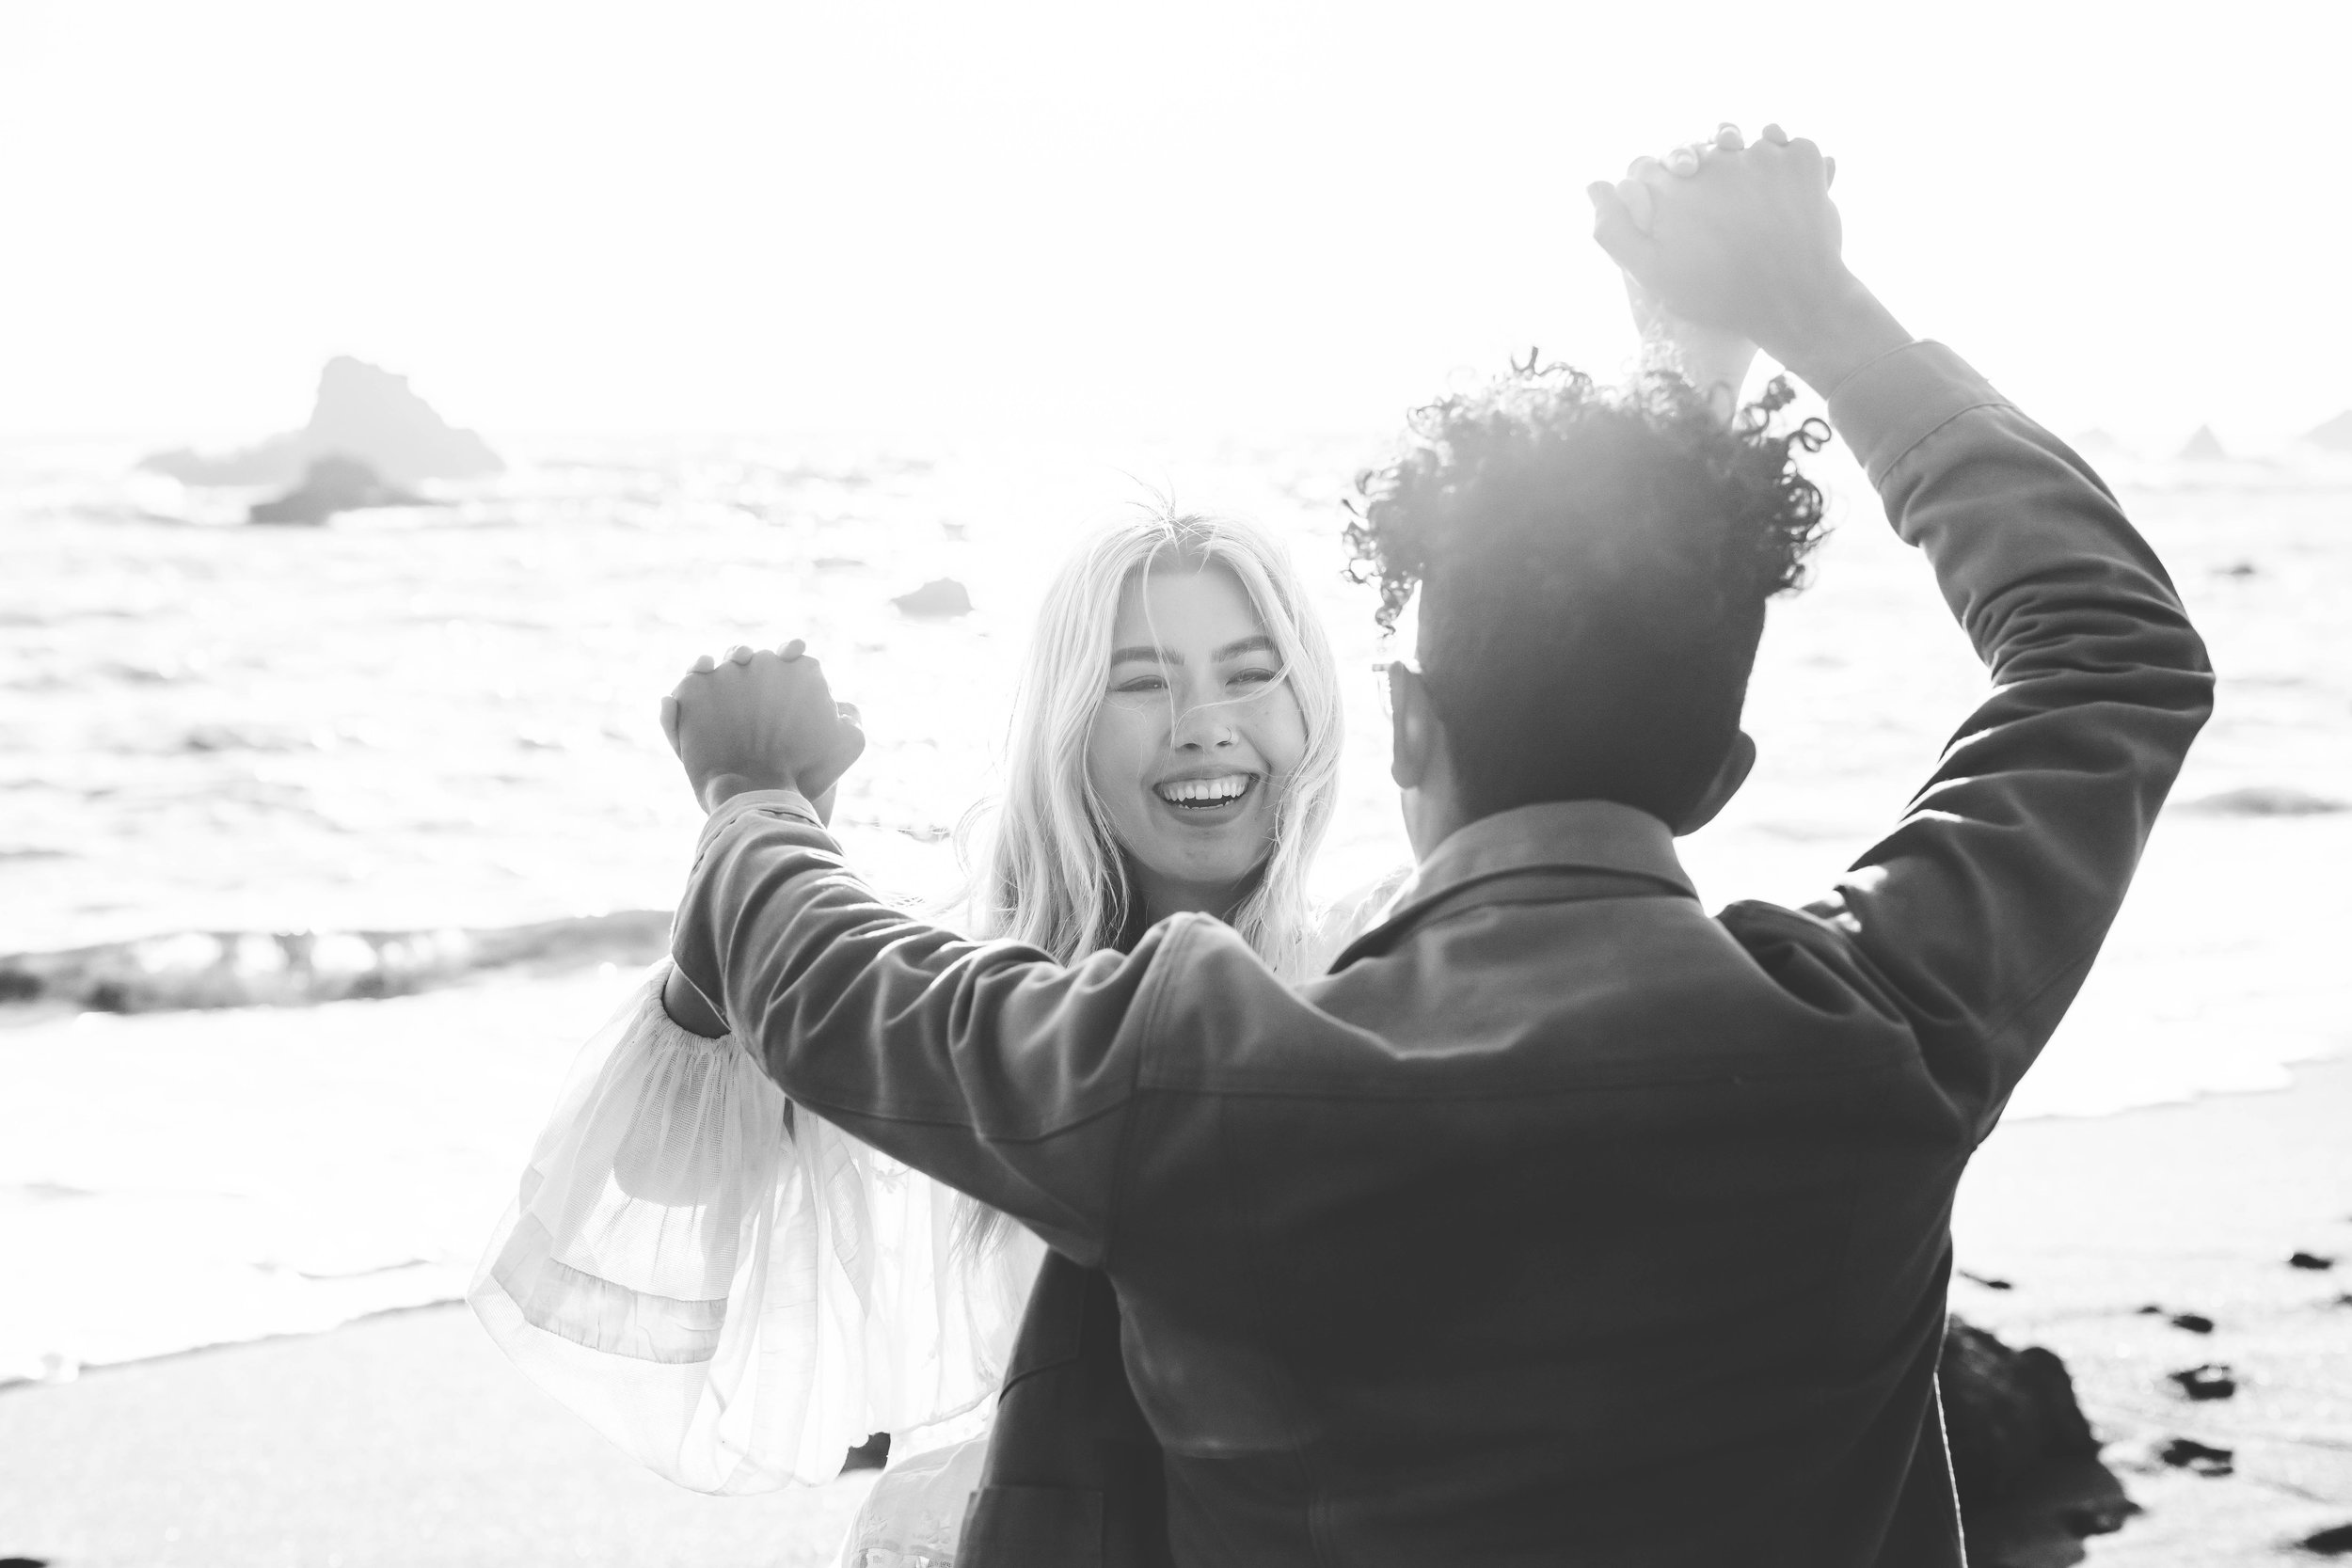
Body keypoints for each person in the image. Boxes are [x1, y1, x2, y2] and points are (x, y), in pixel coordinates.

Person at [654, 122, 2213, 1565]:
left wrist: (752, 792)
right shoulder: (1885, 1027)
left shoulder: (1182, 1072)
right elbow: (2107, 653)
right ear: (1725, 773)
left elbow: (830, 974)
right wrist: (1815, 309)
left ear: (1401, 725)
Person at [469, 507, 1366, 1556]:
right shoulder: (967, 995)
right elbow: (662, 1176)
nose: (1203, 722)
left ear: (1315, 704)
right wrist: (762, 845)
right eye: (1140, 681)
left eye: (1251, 671)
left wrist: (748, 812)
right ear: (1064, 722)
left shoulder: (1360, 979)